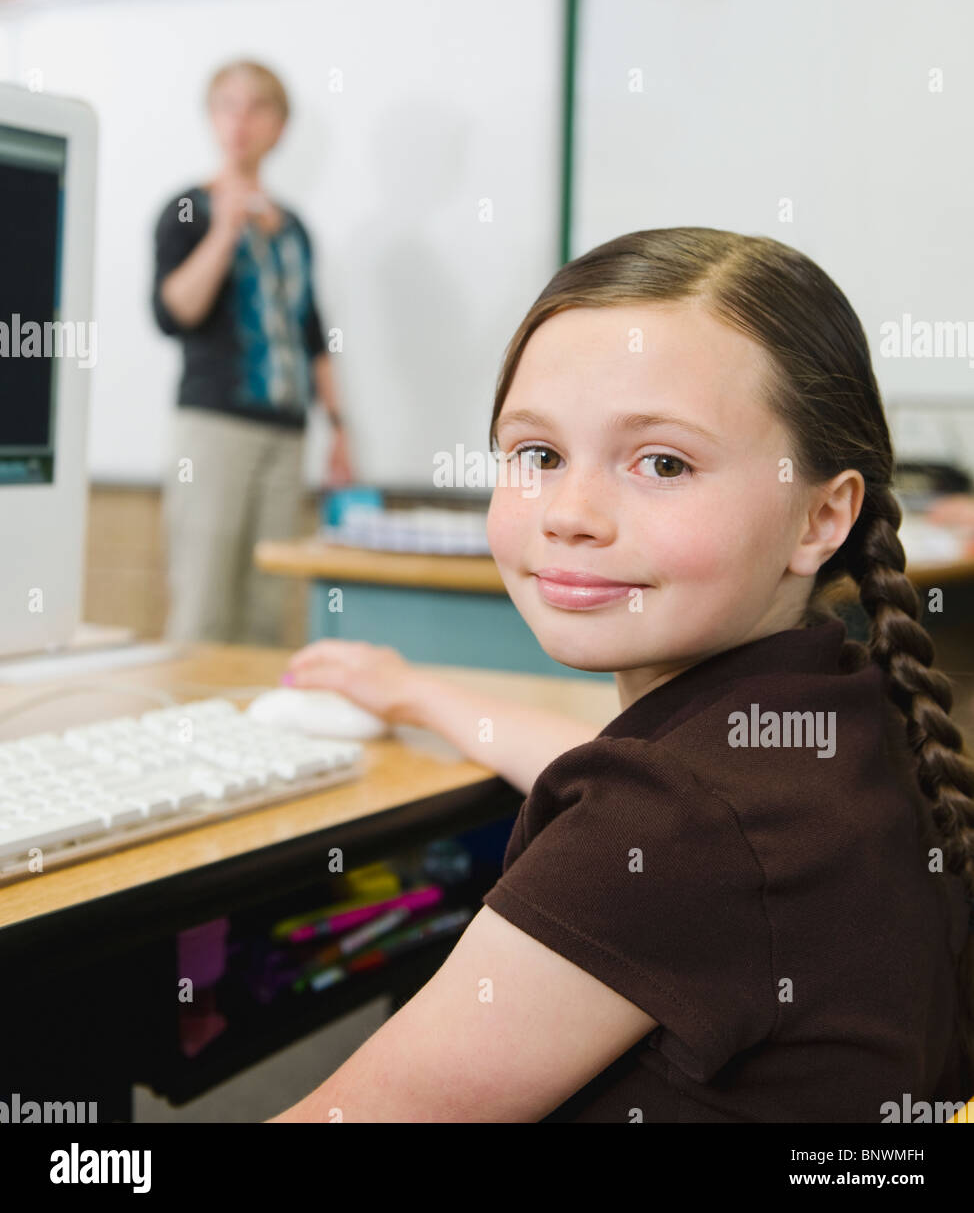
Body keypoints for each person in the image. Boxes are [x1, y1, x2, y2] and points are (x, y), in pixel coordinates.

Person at [268, 227, 974, 1123]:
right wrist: (419, 696)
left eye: (663, 464)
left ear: (821, 516)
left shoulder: (672, 831)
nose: (570, 514)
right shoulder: (839, 714)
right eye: (539, 454)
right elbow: (641, 789)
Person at [152, 60, 355, 644]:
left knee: (267, 611)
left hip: (286, 431)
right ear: (212, 119)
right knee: (205, 604)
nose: (241, 121)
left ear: (279, 126)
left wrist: (338, 426)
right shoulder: (186, 210)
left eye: (257, 107)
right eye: (228, 106)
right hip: (215, 428)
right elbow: (173, 313)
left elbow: (311, 331)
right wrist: (224, 229)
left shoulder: (293, 227)